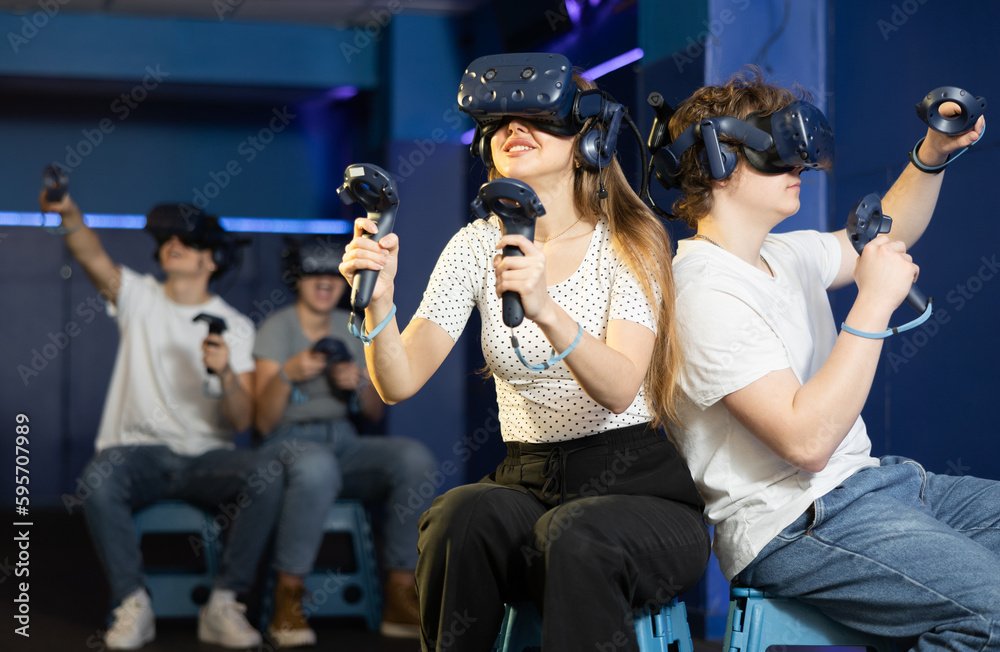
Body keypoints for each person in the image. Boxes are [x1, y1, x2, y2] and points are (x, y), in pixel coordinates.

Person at [339, 60, 710, 652]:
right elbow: (399, 380)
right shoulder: (476, 243)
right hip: (528, 478)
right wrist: (377, 306)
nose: (517, 127)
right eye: (504, 119)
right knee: (459, 517)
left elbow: (619, 386)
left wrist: (544, 307)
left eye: (541, 117)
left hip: (637, 486)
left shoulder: (632, 241)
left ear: (588, 138)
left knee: (574, 535)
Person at [666, 67, 999, 650]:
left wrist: (933, 153)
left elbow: (885, 232)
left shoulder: (781, 254)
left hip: (873, 485)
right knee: (992, 611)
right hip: (793, 520)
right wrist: (872, 303)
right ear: (719, 160)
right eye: (777, 151)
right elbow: (806, 443)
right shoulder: (702, 292)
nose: (801, 165)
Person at [41, 194, 281, 650]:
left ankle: (225, 604)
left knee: (267, 472)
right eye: (168, 239)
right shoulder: (139, 297)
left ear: (211, 259)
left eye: (186, 241)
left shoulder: (236, 327)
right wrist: (70, 214)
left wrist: (227, 371)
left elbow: (244, 419)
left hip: (208, 460)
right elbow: (90, 254)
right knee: (99, 477)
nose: (173, 245)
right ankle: (133, 603)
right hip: (138, 454)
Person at [252, 235, 439, 646]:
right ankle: (288, 598)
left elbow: (374, 411)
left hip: (344, 440)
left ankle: (399, 592)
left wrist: (356, 387)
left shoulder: (351, 325)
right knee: (316, 467)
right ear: (296, 279)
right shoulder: (276, 327)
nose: (323, 282)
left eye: (330, 274)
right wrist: (288, 373)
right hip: (288, 443)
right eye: (311, 273)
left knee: (413, 458)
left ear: (344, 278)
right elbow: (261, 422)